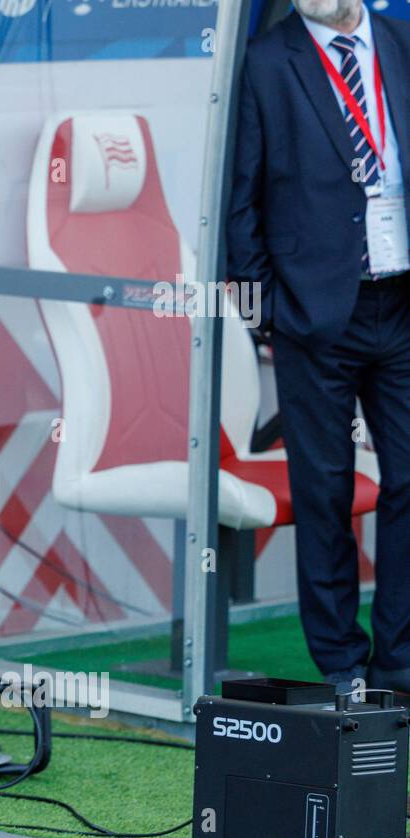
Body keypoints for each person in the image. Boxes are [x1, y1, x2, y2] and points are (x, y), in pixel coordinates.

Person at [227, 0, 410, 694]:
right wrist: (264, 314)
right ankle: (339, 660)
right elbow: (240, 199)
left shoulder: (399, 42)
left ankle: (398, 653)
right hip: (314, 314)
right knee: (325, 489)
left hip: (401, 302)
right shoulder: (268, 62)